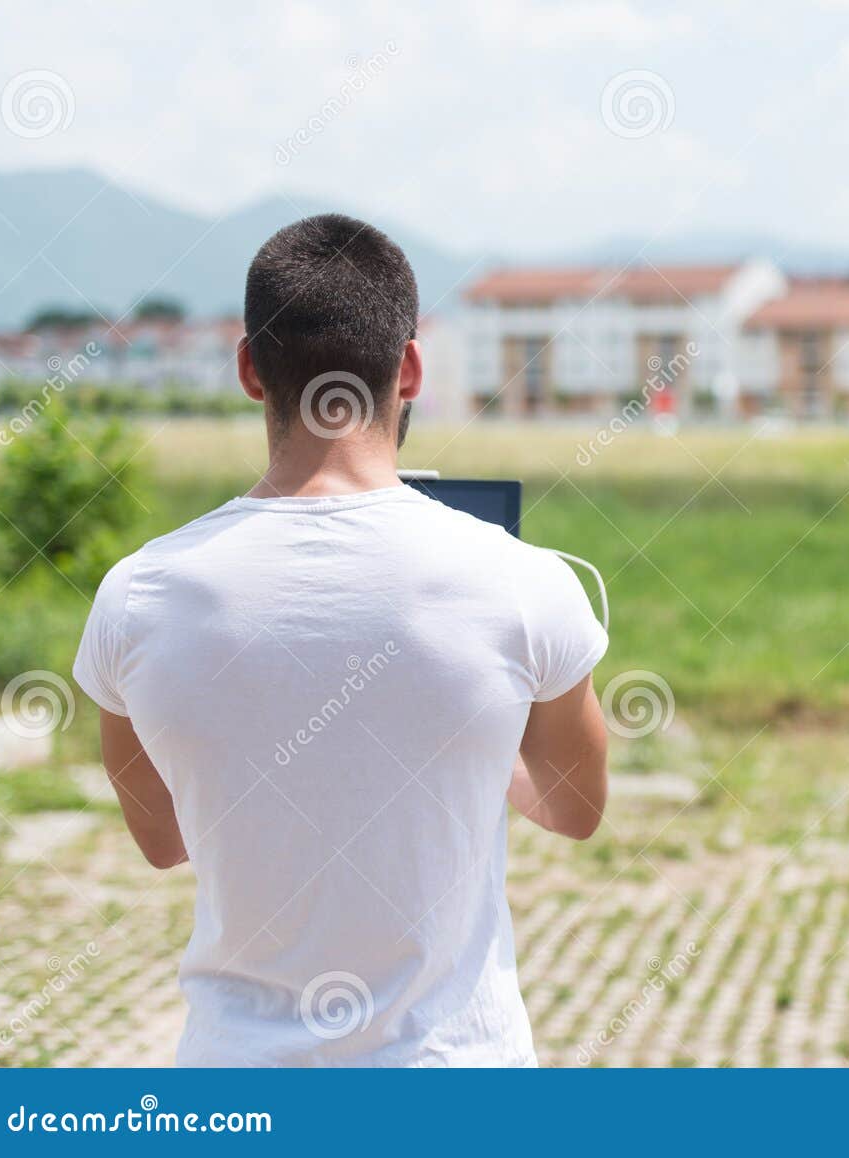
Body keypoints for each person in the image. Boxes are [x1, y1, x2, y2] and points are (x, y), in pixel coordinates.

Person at [72, 214, 609, 1067]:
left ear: (250, 369)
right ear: (414, 369)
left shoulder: (137, 597)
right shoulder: (525, 582)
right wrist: (475, 730)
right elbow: (575, 809)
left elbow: (163, 840)